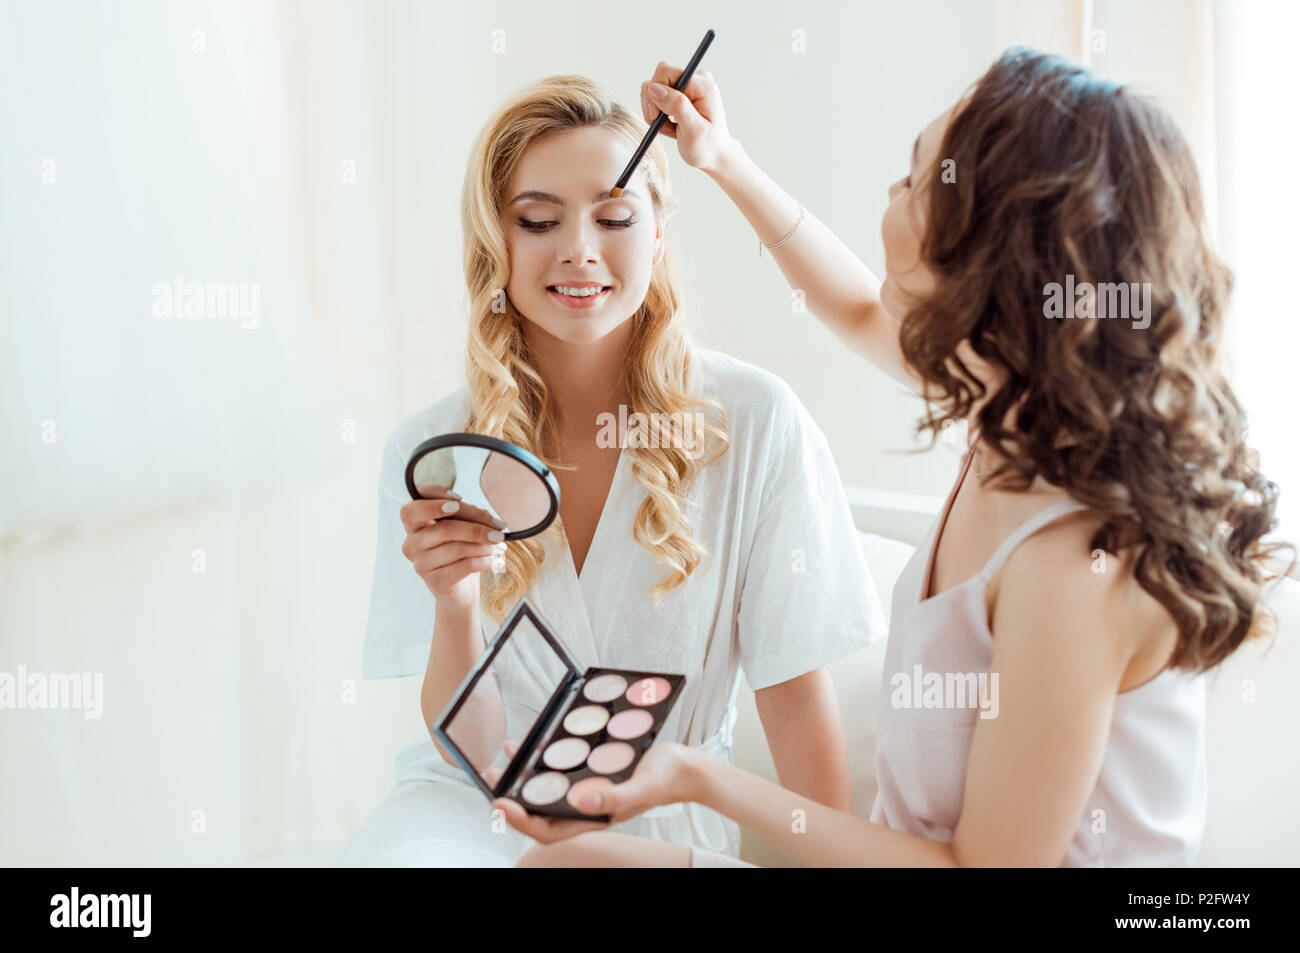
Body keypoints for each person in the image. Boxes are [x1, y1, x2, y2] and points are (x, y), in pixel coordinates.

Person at [496, 47, 1295, 867]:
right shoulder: (1010, 410)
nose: (891, 195)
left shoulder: (1074, 562)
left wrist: (701, 777)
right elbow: (847, 304)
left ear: (990, 245)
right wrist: (722, 159)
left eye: (914, 182)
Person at [339, 74, 888, 867]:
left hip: (662, 824)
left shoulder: (754, 421)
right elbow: (476, 749)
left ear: (658, 236)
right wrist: (457, 606)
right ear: (498, 243)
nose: (579, 250)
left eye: (615, 217)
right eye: (538, 220)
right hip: (470, 815)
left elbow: (795, 696)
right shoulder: (432, 451)